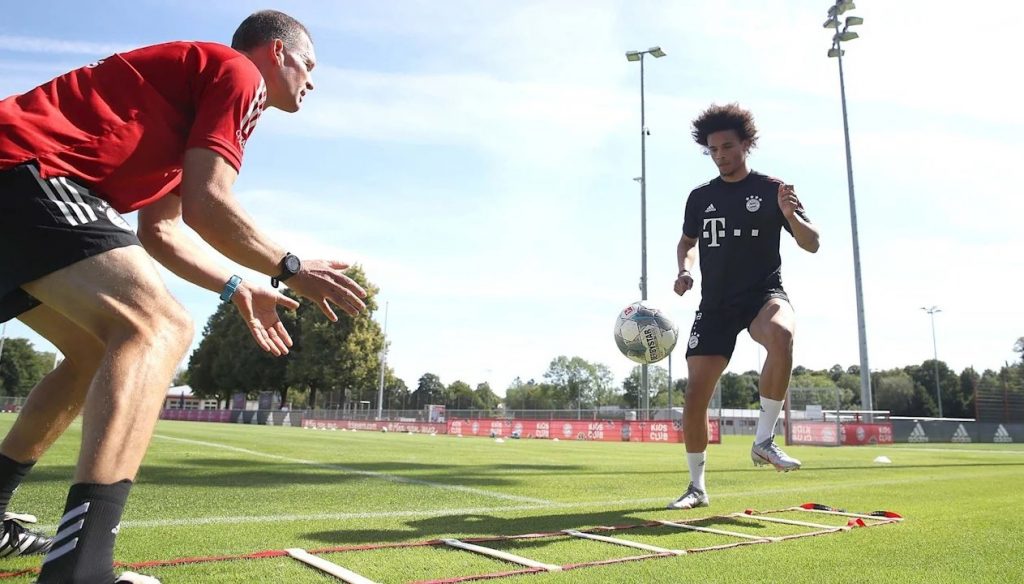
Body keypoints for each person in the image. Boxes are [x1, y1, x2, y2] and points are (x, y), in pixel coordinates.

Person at [0, 10, 367, 582]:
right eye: (309, 65)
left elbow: (163, 231)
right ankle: (82, 568)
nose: (312, 82)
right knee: (157, 327)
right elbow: (210, 203)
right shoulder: (238, 73)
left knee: (97, 350)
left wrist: (236, 284)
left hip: (21, 183)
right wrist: (288, 268)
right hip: (24, 172)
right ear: (276, 54)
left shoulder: (186, 113)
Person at [668, 103, 819, 510]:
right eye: (713, 150)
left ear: (746, 144)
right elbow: (687, 242)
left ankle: (764, 441)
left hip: (762, 294)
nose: (720, 155)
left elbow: (812, 242)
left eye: (728, 147)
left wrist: (792, 215)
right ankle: (697, 487)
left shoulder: (773, 190)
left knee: (782, 333)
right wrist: (685, 271)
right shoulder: (700, 198)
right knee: (696, 394)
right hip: (715, 303)